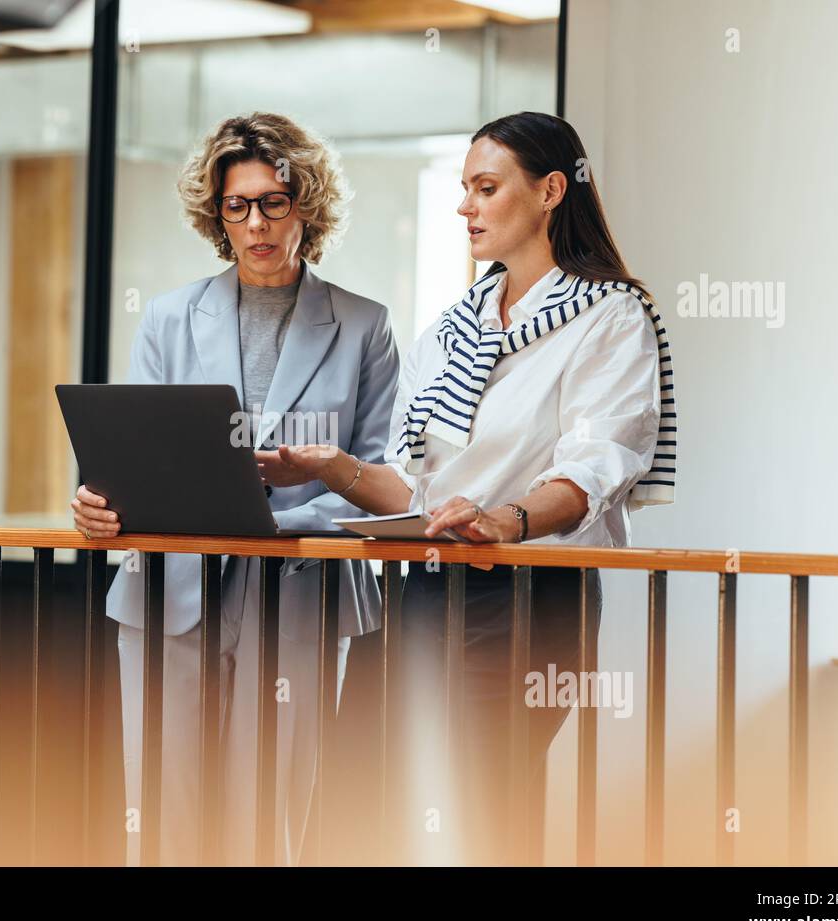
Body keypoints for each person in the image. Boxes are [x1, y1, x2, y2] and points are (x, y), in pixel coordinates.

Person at [270, 111, 677, 865]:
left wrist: (503, 521)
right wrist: (334, 468)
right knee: (358, 814)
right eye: (463, 189)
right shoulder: (452, 328)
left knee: (476, 820)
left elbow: (595, 469)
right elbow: (414, 489)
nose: (466, 207)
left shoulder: (609, 316)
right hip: (418, 592)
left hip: (524, 600)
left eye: (486, 188)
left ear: (552, 190)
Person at [70, 112, 400, 866]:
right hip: (171, 588)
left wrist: (296, 500)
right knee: (162, 814)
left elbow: (381, 482)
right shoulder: (168, 318)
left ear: (305, 205)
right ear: (217, 215)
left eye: (274, 202)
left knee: (270, 817)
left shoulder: (364, 327)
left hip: (299, 588)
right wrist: (93, 499)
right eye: (237, 205)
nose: (257, 223)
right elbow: (127, 450)